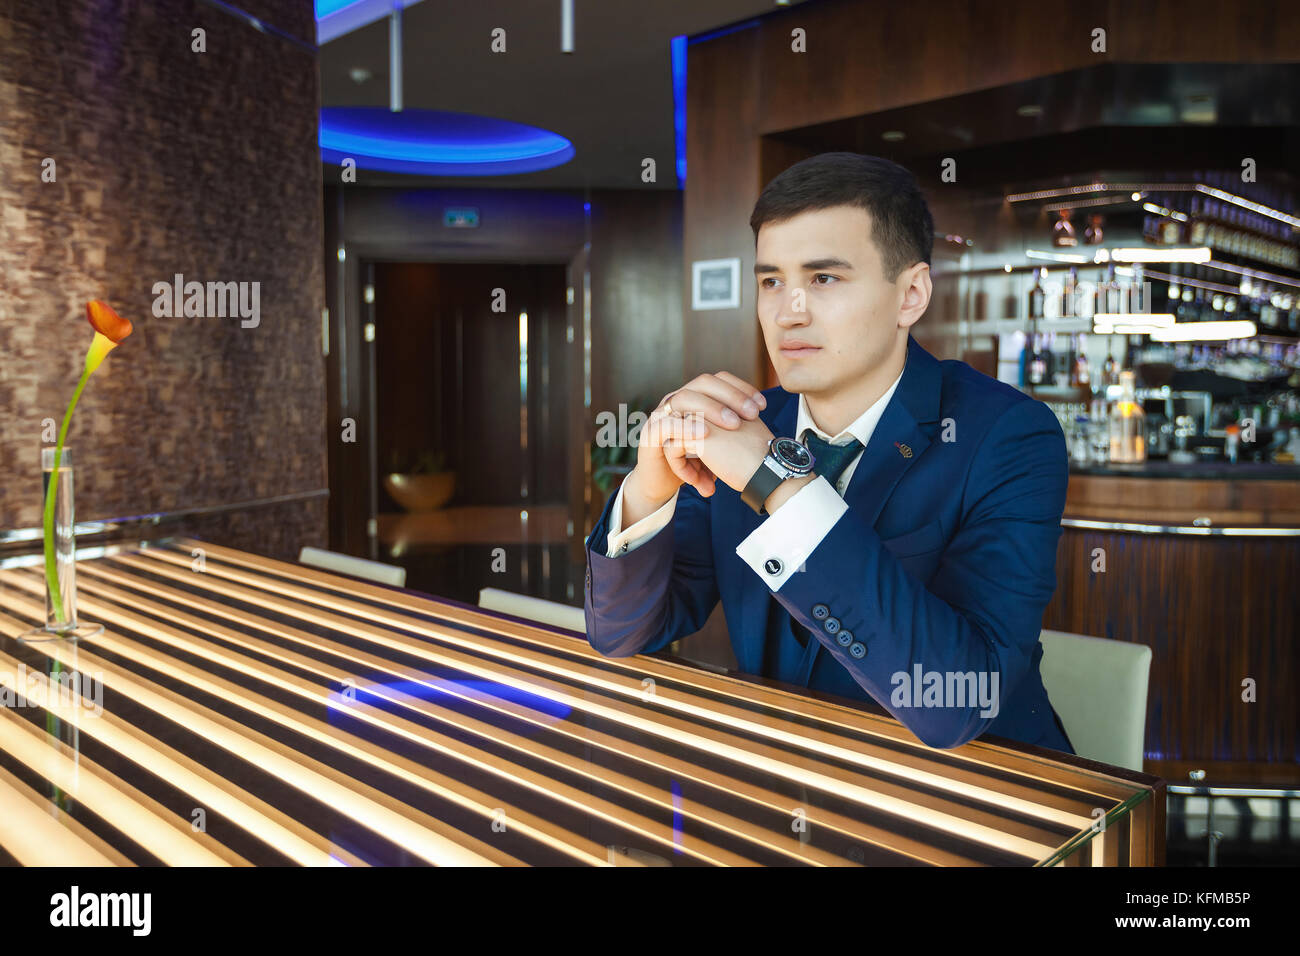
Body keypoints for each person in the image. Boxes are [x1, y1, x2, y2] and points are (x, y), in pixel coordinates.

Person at [584, 152, 1073, 753]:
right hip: (797, 788)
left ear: (911, 294)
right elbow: (623, 637)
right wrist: (647, 488)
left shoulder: (1009, 435)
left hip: (982, 799)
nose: (789, 312)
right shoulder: (745, 424)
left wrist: (776, 482)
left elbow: (957, 700)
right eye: (772, 281)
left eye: (824, 279)